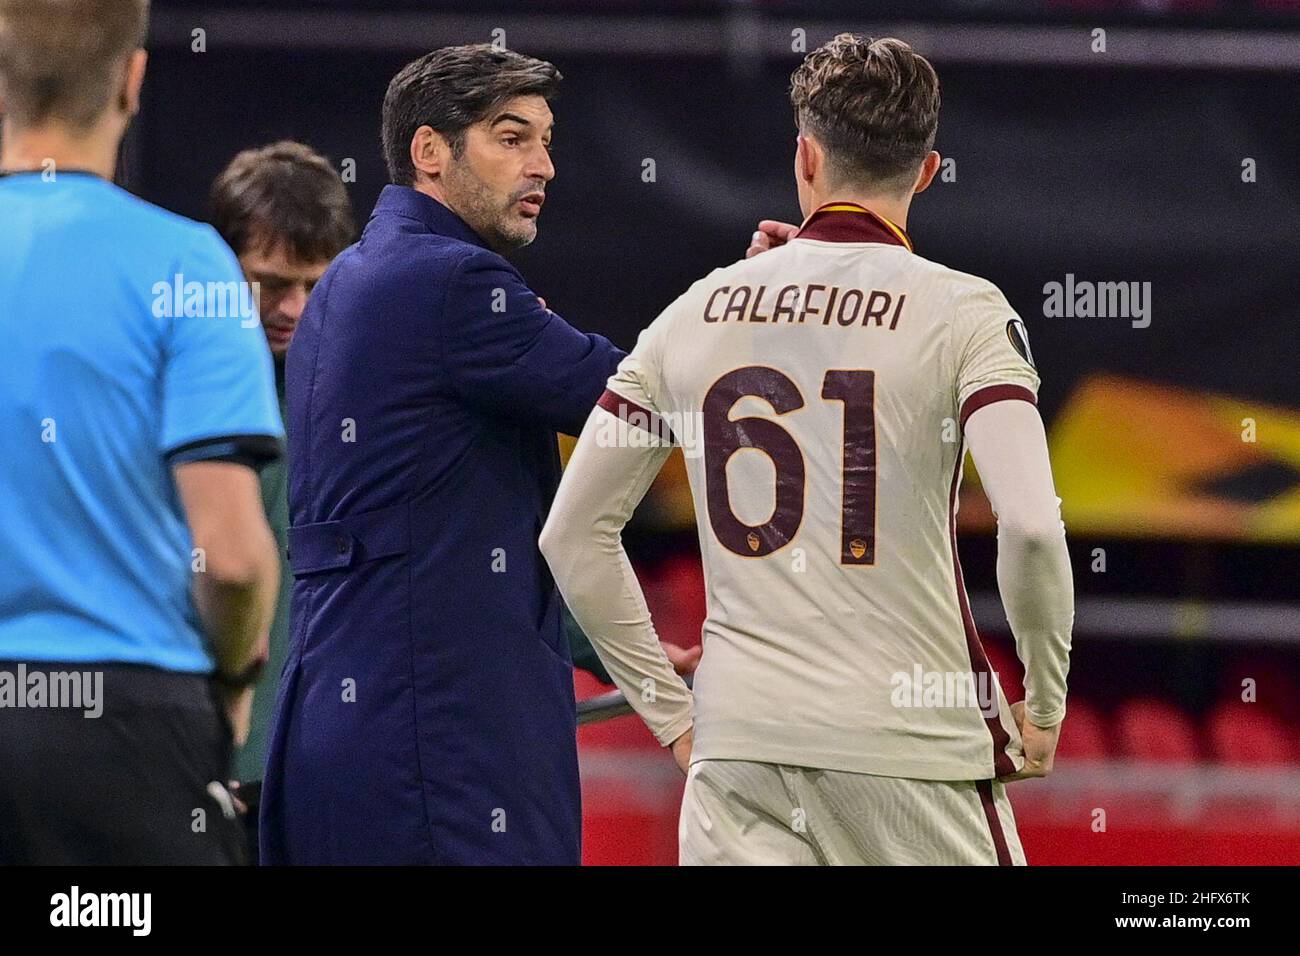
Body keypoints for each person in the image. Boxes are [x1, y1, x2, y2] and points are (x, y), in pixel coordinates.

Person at [541, 34, 1074, 866]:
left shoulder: (696, 309)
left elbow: (570, 534)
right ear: (928, 170)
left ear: (806, 157)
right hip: (911, 751)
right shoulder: (965, 312)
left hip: (741, 748)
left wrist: (672, 716)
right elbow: (1034, 527)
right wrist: (1044, 702)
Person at [260, 43, 695, 866]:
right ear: (431, 152)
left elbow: (438, 533)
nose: (544, 165)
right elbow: (643, 399)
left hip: (341, 735)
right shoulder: (453, 284)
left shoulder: (350, 282)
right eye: (511, 138)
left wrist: (601, 644)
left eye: (546, 140)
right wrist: (742, 310)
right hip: (438, 748)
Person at [0, 0, 282, 864]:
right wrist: (234, 681)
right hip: (123, 735)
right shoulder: (188, 265)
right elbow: (231, 561)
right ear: (132, 79)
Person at [208, 141, 356, 855]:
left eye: (313, 284)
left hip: (321, 780)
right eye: (269, 283)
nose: (292, 309)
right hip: (193, 769)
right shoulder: (162, 389)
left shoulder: (376, 395)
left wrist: (623, 653)